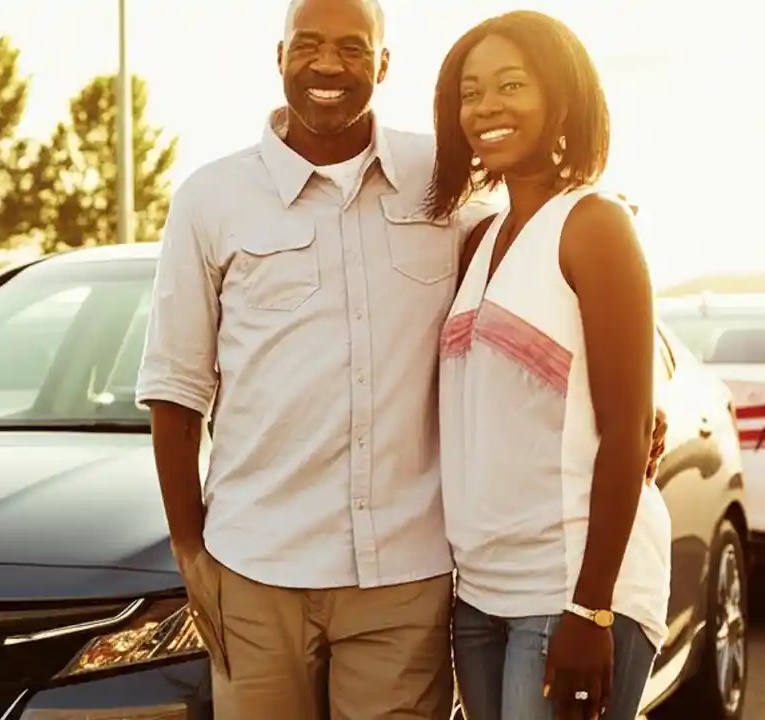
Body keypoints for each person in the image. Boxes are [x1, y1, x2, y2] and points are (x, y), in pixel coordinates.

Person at [137, 1, 665, 717]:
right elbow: (176, 386)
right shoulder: (212, 198)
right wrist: (189, 549)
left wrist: (644, 402)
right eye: (309, 45)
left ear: (384, 64)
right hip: (258, 567)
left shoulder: (448, 186)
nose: (329, 65)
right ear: (280, 55)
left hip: (408, 577)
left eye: (353, 48)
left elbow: (568, 279)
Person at [429, 10, 670, 720]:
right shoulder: (481, 238)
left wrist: (591, 608)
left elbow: (627, 425)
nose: (486, 108)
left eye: (510, 85)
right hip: (479, 593)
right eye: (470, 92)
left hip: (571, 587)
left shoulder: (596, 225)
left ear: (561, 97)